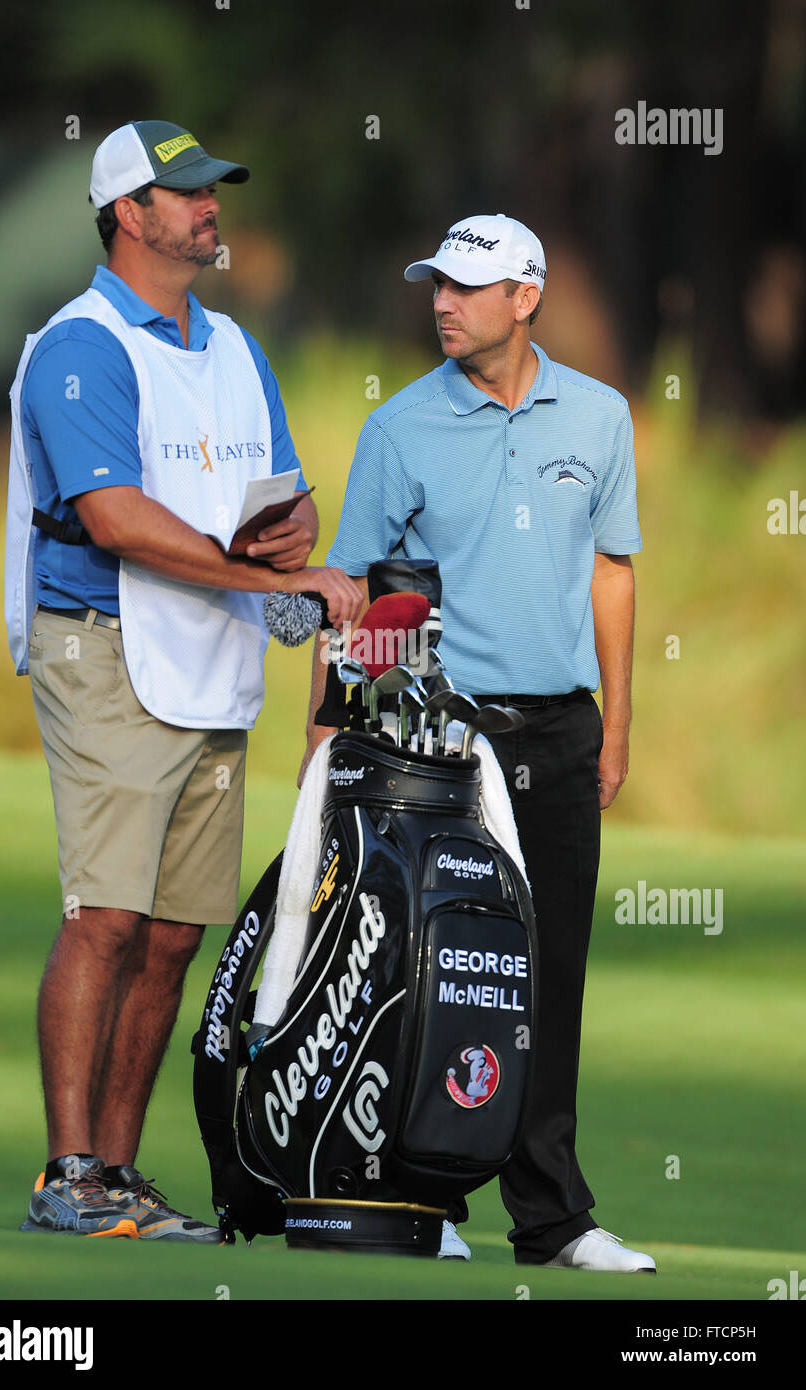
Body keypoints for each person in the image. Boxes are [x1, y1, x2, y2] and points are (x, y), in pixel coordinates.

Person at [5, 119, 361, 1241]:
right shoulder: (77, 348)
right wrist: (279, 572)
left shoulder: (234, 347)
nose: (211, 207)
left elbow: (287, 494)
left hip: (211, 651)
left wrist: (290, 541)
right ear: (128, 213)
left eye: (214, 189)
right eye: (187, 192)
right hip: (103, 644)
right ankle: (68, 1173)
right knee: (107, 913)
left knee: (170, 933)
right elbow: (114, 520)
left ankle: (118, 1171)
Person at [301, 214, 655, 1273]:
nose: (443, 302)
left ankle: (551, 1219)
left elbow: (614, 571)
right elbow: (351, 592)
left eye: (466, 285)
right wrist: (324, 744)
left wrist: (620, 720)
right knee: (439, 966)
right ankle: (423, 1199)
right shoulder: (400, 427)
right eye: (436, 284)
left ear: (526, 297)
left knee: (548, 975)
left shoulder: (599, 415)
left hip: (560, 725)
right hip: (436, 742)